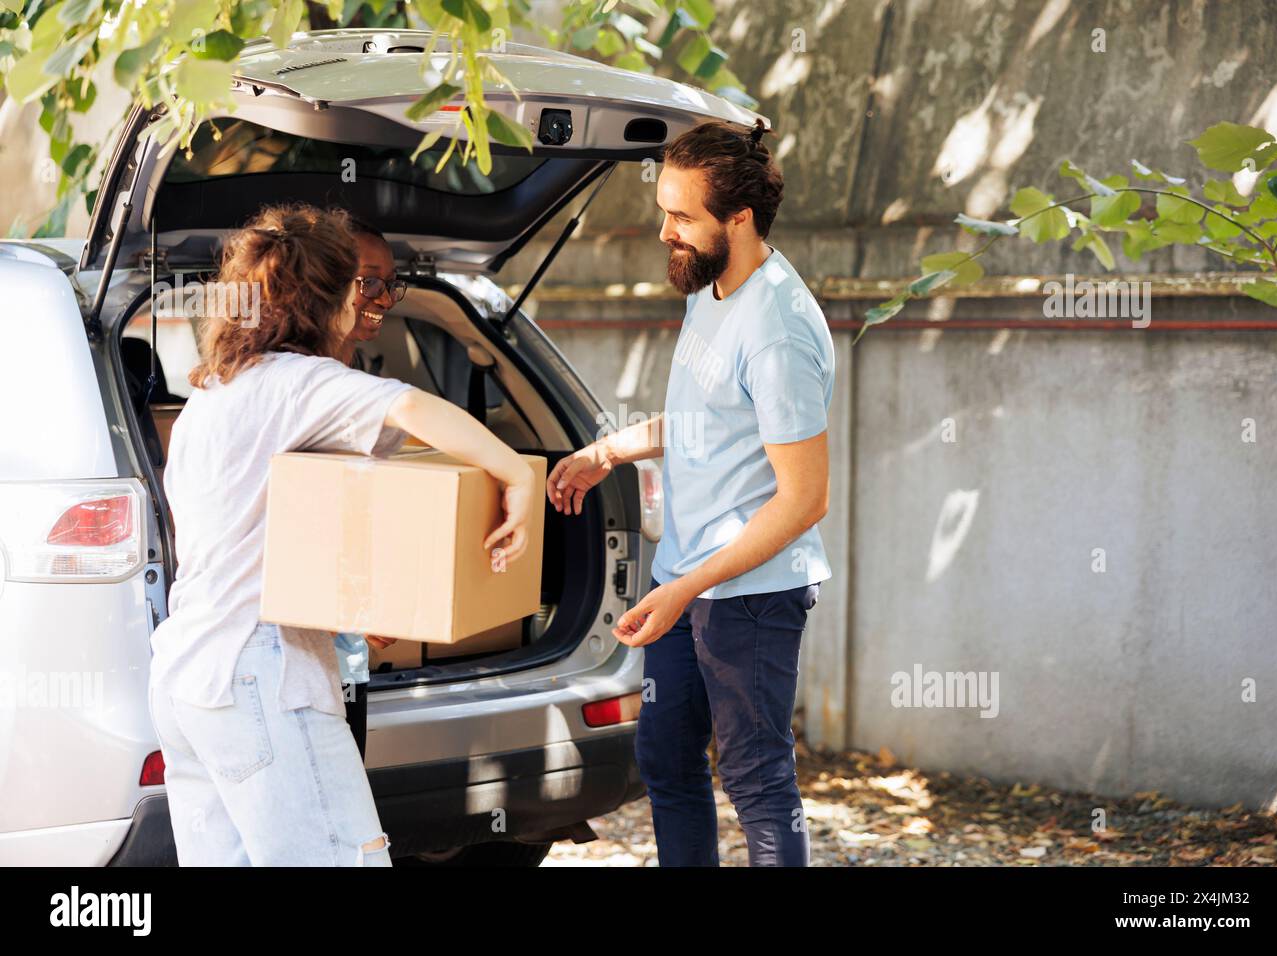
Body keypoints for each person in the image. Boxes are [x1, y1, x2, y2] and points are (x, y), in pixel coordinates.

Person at [146, 203, 535, 866]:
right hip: (259, 679)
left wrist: (349, 612)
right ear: (328, 302)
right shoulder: (302, 382)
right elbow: (413, 407)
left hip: (187, 677)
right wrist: (516, 478)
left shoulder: (211, 394)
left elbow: (261, 537)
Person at [546, 120, 833, 866]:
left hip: (751, 594)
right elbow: (708, 416)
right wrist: (606, 451)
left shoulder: (778, 328)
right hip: (686, 578)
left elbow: (804, 501)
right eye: (664, 210)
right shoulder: (710, 285)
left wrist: (686, 590)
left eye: (682, 216)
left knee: (757, 780)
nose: (664, 230)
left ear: (737, 218)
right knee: (667, 762)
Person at [331, 213, 409, 760]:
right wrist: (351, 605)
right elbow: (280, 522)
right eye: (368, 280)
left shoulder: (355, 380)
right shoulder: (291, 385)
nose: (382, 296)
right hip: (290, 660)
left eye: (390, 283)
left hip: (344, 654)